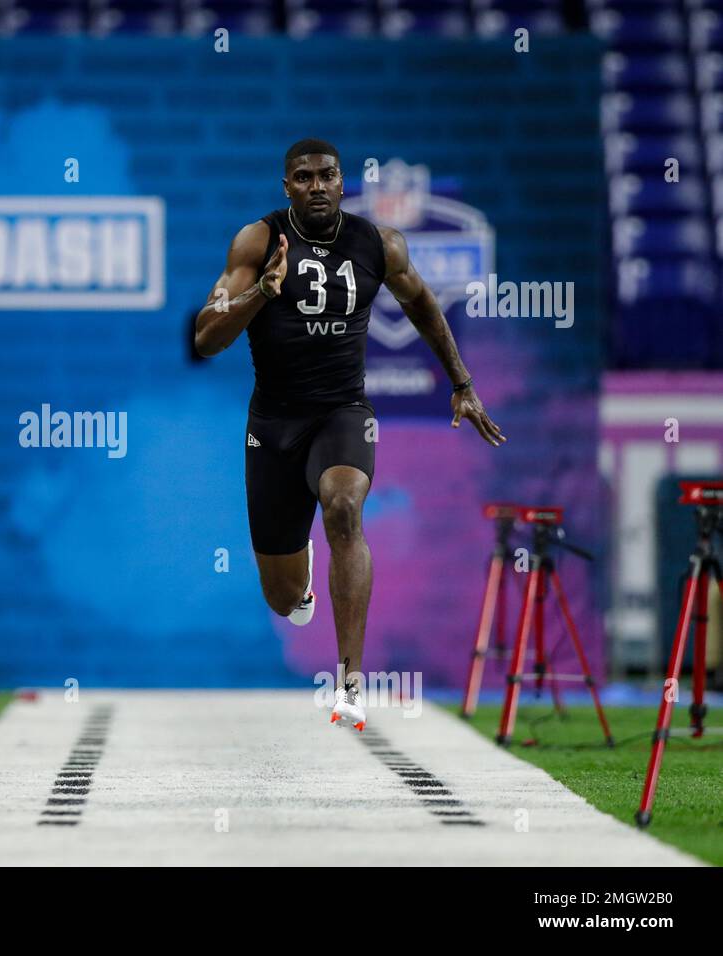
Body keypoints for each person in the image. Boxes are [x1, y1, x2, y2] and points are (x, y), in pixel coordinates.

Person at [193, 138, 505, 731]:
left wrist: (461, 381)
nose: (316, 186)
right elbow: (205, 339)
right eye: (303, 177)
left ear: (343, 183)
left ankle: (350, 682)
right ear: (287, 187)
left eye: (327, 176)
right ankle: (301, 581)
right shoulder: (256, 242)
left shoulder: (379, 244)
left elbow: (421, 304)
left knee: (342, 507)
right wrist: (263, 290)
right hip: (274, 424)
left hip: (342, 412)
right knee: (282, 599)